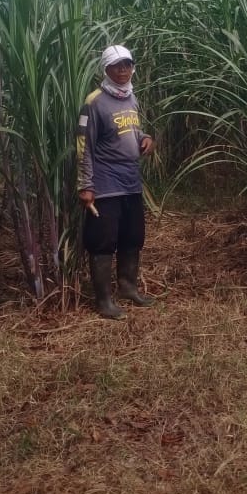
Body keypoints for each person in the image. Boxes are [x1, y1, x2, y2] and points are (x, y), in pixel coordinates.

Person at [76, 44, 155, 319]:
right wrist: (86, 185)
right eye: (117, 66)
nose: (123, 71)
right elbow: (83, 144)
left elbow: (132, 128)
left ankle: (128, 287)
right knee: (103, 241)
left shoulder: (131, 98)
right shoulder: (94, 102)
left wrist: (144, 137)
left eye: (127, 65)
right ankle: (104, 301)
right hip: (106, 184)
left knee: (132, 237)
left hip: (131, 181)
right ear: (106, 69)